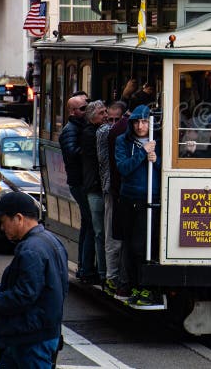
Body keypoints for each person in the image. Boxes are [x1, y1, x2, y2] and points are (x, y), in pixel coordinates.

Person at [0, 192, 68, 368]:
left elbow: (23, 296)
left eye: (3, 221)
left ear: (18, 218)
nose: (2, 228)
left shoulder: (30, 251)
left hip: (30, 340)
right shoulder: (52, 241)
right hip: (39, 334)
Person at [114, 104, 161, 306]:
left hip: (151, 198)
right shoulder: (122, 141)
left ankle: (145, 285)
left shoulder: (160, 142)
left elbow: (167, 167)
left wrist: (156, 159)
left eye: (144, 122)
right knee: (129, 244)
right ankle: (131, 283)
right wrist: (143, 153)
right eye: (136, 122)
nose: (140, 126)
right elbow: (123, 168)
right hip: (129, 198)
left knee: (144, 245)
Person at [59, 94, 96, 283]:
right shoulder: (70, 129)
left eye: (88, 106)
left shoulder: (79, 127)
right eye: (83, 108)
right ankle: (86, 268)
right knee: (90, 224)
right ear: (73, 112)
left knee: (87, 224)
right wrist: (90, 148)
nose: (86, 110)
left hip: (81, 182)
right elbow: (72, 152)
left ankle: (84, 266)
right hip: (79, 183)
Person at [97, 100, 126, 295]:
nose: (113, 123)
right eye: (110, 119)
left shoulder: (117, 131)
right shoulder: (105, 132)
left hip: (120, 190)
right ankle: (111, 277)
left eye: (117, 119)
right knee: (110, 235)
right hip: (111, 188)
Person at [82, 101, 107, 284]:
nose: (105, 116)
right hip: (95, 189)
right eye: (102, 113)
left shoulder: (98, 131)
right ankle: (102, 272)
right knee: (98, 231)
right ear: (92, 117)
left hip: (100, 188)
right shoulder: (91, 135)